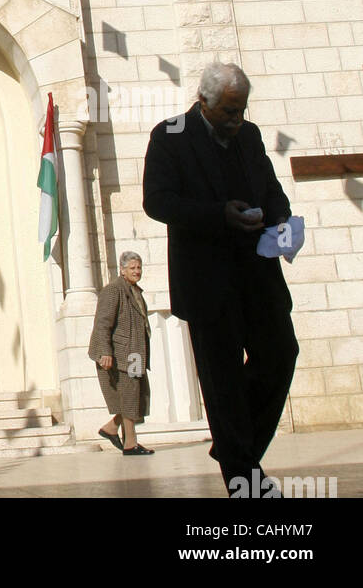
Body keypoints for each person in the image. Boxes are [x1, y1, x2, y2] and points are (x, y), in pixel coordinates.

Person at [143, 63, 298, 497]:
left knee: (280, 354)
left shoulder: (249, 136)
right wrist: (218, 215)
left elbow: (271, 188)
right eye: (229, 111)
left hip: (258, 275)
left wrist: (282, 220)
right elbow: (157, 201)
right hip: (207, 283)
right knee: (222, 382)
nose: (236, 120)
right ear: (204, 102)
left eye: (241, 110)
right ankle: (244, 480)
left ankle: (232, 446)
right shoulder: (169, 135)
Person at [89, 252, 153, 455]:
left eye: (139, 267)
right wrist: (104, 352)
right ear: (122, 270)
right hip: (122, 354)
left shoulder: (135, 291)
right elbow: (102, 323)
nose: (137, 271)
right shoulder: (113, 290)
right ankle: (130, 444)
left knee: (136, 396)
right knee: (130, 396)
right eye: (132, 268)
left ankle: (112, 428)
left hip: (135, 353)